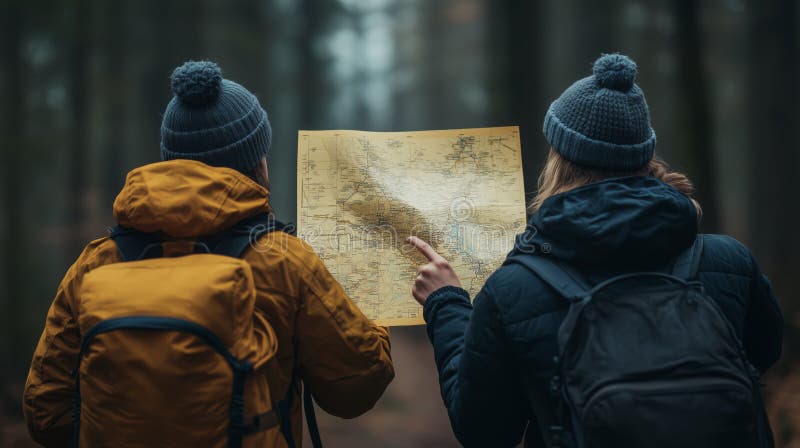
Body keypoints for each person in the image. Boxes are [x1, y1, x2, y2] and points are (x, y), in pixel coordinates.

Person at [408, 54, 783, 447]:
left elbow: (483, 430)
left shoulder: (514, 288)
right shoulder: (730, 262)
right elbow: (762, 353)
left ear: (560, 159)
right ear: (644, 155)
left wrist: (447, 303)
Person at [23, 60, 394, 447]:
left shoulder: (96, 263)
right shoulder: (285, 260)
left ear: (170, 159)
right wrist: (367, 310)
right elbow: (357, 388)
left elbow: (46, 415)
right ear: (257, 163)